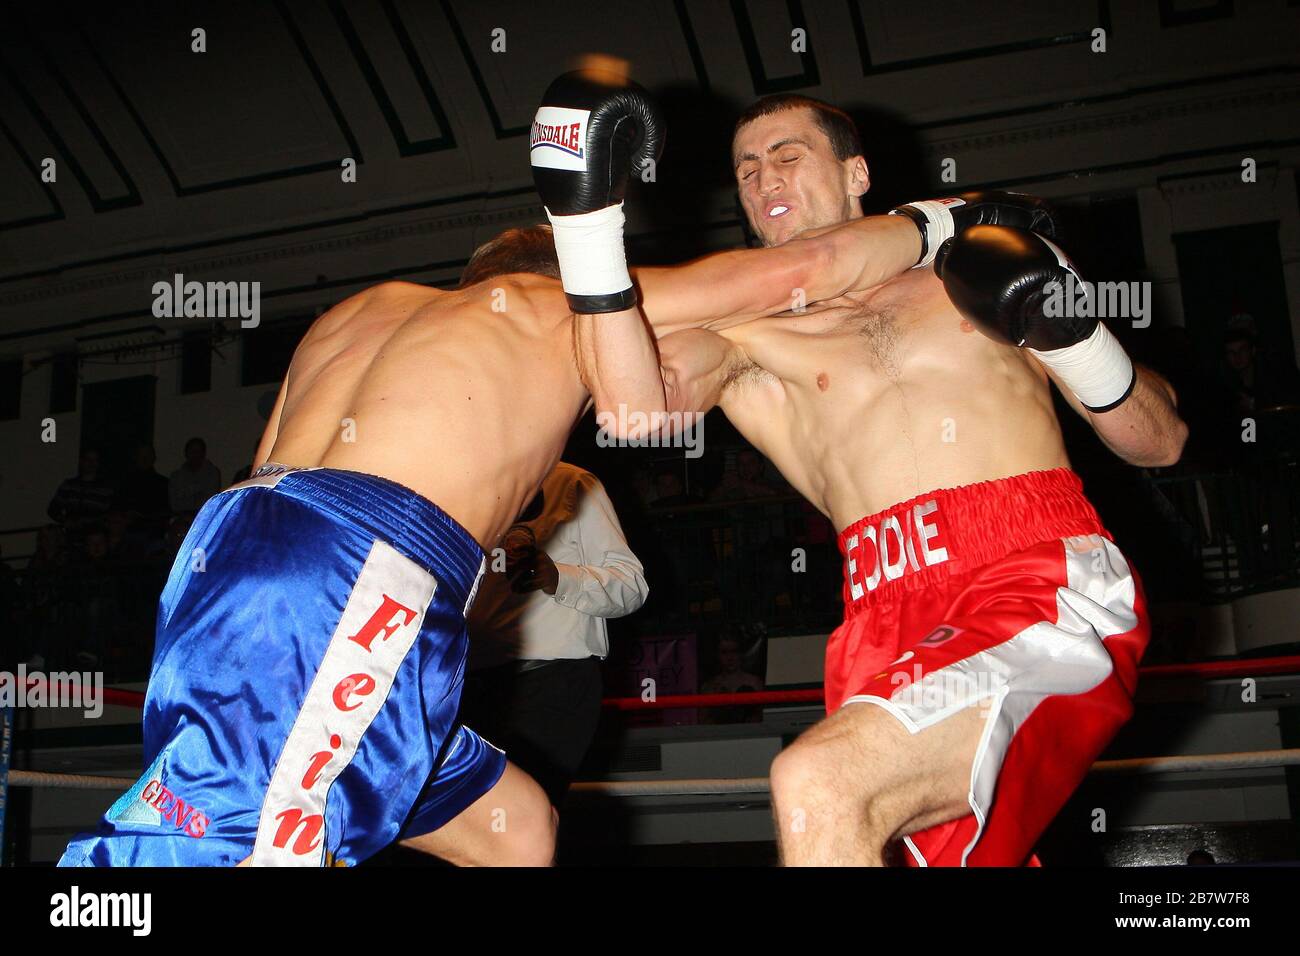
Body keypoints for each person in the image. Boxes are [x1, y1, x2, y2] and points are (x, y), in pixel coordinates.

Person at [60, 71, 926, 868]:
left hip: (241, 556)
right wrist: (940, 225)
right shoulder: (558, 305)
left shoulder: (363, 310)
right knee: (212, 848)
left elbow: (270, 499)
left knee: (518, 829)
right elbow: (797, 270)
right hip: (349, 573)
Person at [585, 92, 1188, 866]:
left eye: (787, 155)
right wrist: (589, 228)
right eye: (745, 168)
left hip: (1031, 572)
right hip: (879, 620)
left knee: (823, 782)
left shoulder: (978, 262)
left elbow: (1159, 440)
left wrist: (1074, 335)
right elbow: (634, 409)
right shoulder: (744, 336)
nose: (762, 176)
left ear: (856, 171)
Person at [460, 462, 648, 806]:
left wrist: (558, 578)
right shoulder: (467, 481)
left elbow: (632, 586)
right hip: (473, 687)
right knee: (475, 819)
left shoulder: (574, 484)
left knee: (524, 812)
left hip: (552, 682)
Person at [47, 448, 114, 528]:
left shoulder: (105, 489)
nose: (91, 463)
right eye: (88, 459)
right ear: (81, 461)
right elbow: (53, 509)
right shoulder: (69, 485)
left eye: (95, 460)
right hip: (72, 535)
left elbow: (111, 514)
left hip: (96, 536)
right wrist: (65, 520)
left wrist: (91, 522)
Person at [167, 437, 222, 514]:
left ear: (203, 453)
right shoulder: (176, 476)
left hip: (204, 515)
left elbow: (210, 501)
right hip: (181, 517)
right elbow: (175, 504)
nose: (195, 454)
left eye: (198, 451)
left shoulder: (212, 474)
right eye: (192, 451)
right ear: (186, 453)